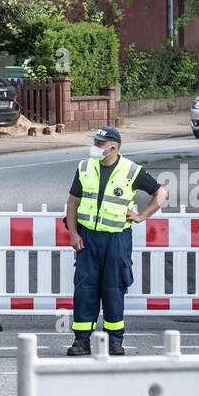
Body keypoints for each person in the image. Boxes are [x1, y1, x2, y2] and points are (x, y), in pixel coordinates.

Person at [65, 126, 168, 357]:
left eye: (100, 144)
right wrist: (73, 232)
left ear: (112, 147)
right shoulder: (85, 168)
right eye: (95, 143)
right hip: (88, 238)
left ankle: (114, 341)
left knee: (113, 289)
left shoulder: (131, 170)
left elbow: (161, 194)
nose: (95, 147)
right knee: (85, 289)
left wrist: (141, 216)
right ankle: (81, 340)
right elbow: (72, 202)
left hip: (117, 239)